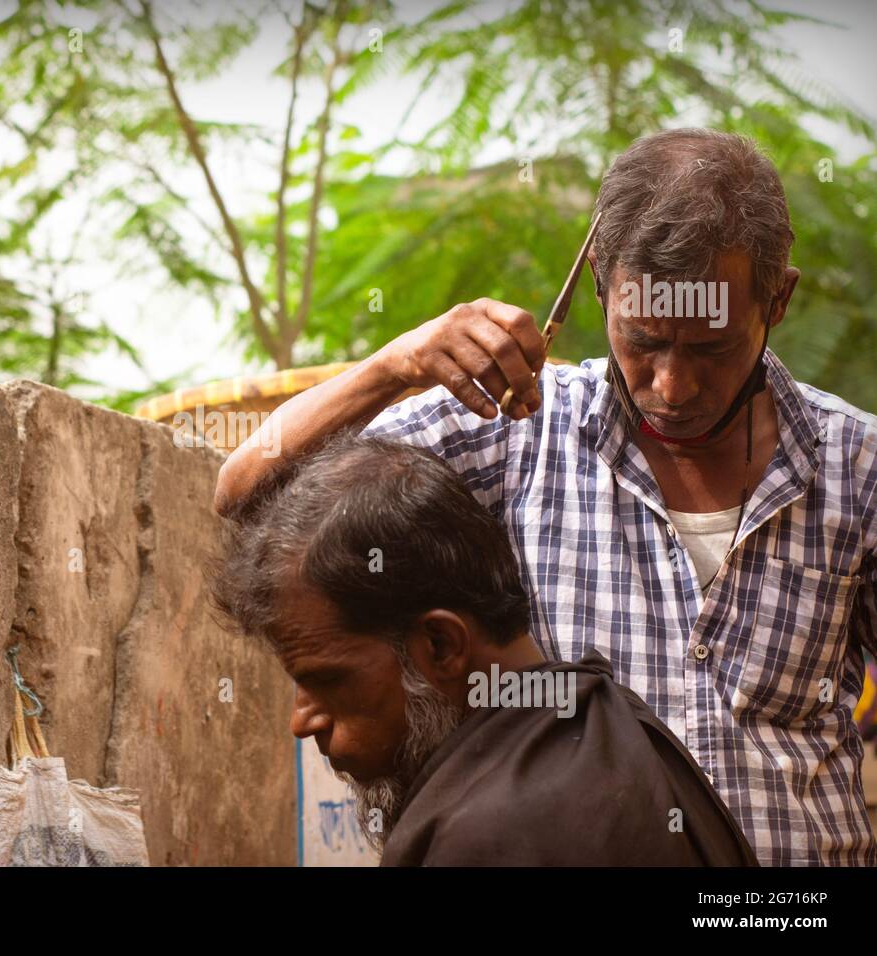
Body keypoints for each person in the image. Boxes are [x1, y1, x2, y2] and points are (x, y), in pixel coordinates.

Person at [214, 128, 877, 866]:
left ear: (777, 299)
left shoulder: (859, 468)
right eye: (644, 341)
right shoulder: (514, 427)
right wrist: (394, 367)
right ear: (600, 283)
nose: (671, 387)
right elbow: (248, 492)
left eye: (710, 348)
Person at [210, 431, 758, 865]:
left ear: (440, 644)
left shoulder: (488, 836)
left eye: (327, 680)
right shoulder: (618, 724)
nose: (302, 722)